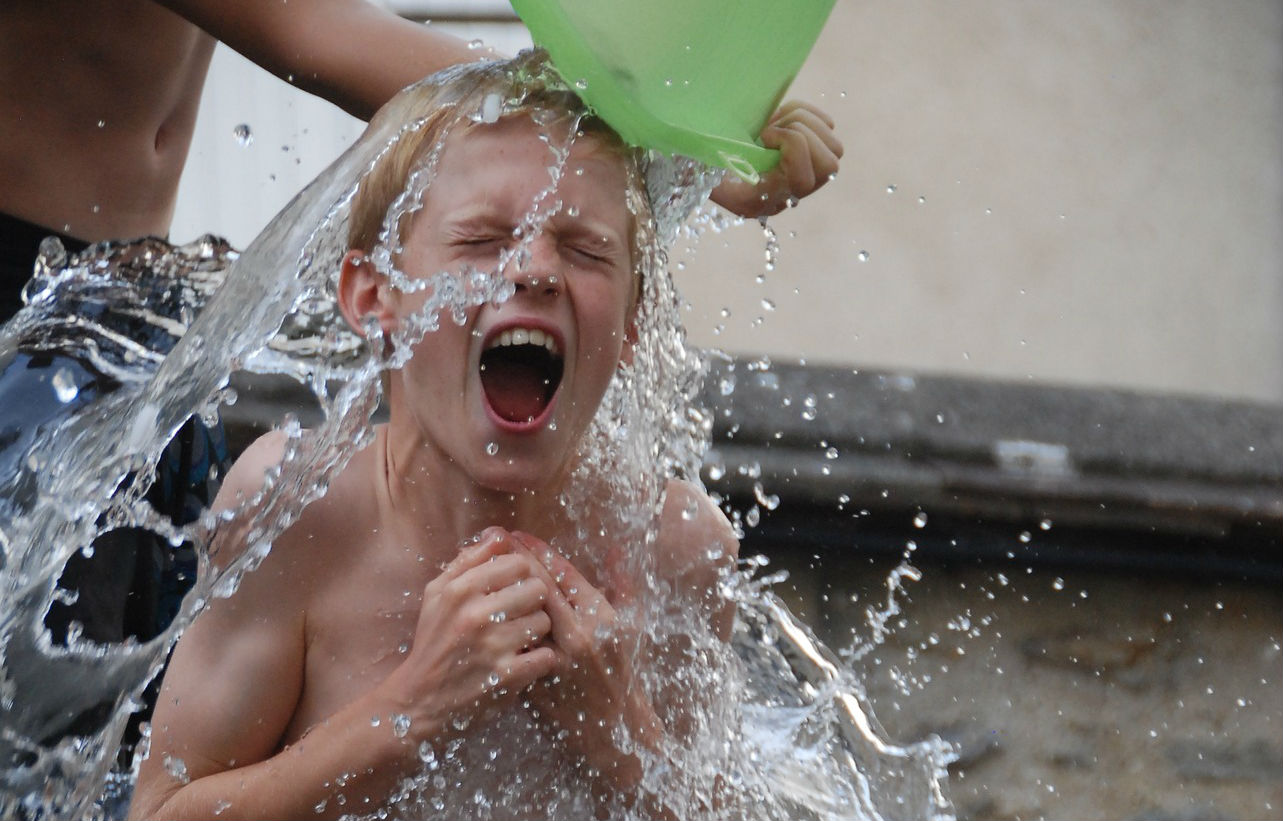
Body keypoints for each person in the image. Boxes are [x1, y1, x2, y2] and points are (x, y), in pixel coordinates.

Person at [128, 54, 839, 820]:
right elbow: (163, 811)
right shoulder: (299, 507)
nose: (535, 269)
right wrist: (413, 709)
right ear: (375, 297)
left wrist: (617, 731)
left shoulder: (671, 548)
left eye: (585, 249)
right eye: (481, 240)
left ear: (634, 318)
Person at [0, 0, 841, 321]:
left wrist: (690, 108)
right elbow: (313, 35)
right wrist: (650, 125)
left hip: (115, 291)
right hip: (20, 279)